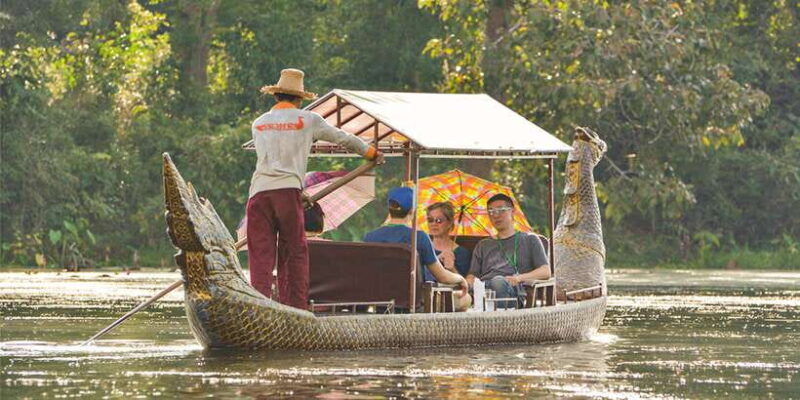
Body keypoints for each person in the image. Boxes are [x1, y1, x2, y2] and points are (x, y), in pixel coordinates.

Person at [247, 68, 384, 309]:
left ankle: (259, 306)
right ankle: (295, 307)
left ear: (276, 96)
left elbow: (273, 161)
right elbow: (343, 138)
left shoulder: (259, 123)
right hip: (287, 192)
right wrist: (371, 152)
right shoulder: (307, 119)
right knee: (294, 252)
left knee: (260, 254)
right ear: (299, 99)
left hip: (258, 193)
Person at [364, 187, 471, 311]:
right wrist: (461, 279)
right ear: (412, 211)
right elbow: (443, 277)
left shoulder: (370, 237)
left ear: (390, 209)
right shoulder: (419, 237)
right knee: (466, 298)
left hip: (380, 303)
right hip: (414, 304)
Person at [466, 193, 550, 309]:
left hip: (513, 290)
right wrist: (466, 283)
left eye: (501, 210)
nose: (495, 215)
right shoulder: (483, 245)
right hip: (484, 290)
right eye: (491, 211)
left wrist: (519, 278)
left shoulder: (530, 239)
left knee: (498, 282)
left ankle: (496, 321)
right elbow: (473, 275)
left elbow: (545, 271)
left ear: (512, 212)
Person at [426, 202, 471, 277]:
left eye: (439, 220)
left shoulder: (462, 253)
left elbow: (464, 284)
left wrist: (452, 269)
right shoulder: (421, 248)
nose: (434, 224)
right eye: (430, 220)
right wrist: (437, 260)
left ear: (449, 223)